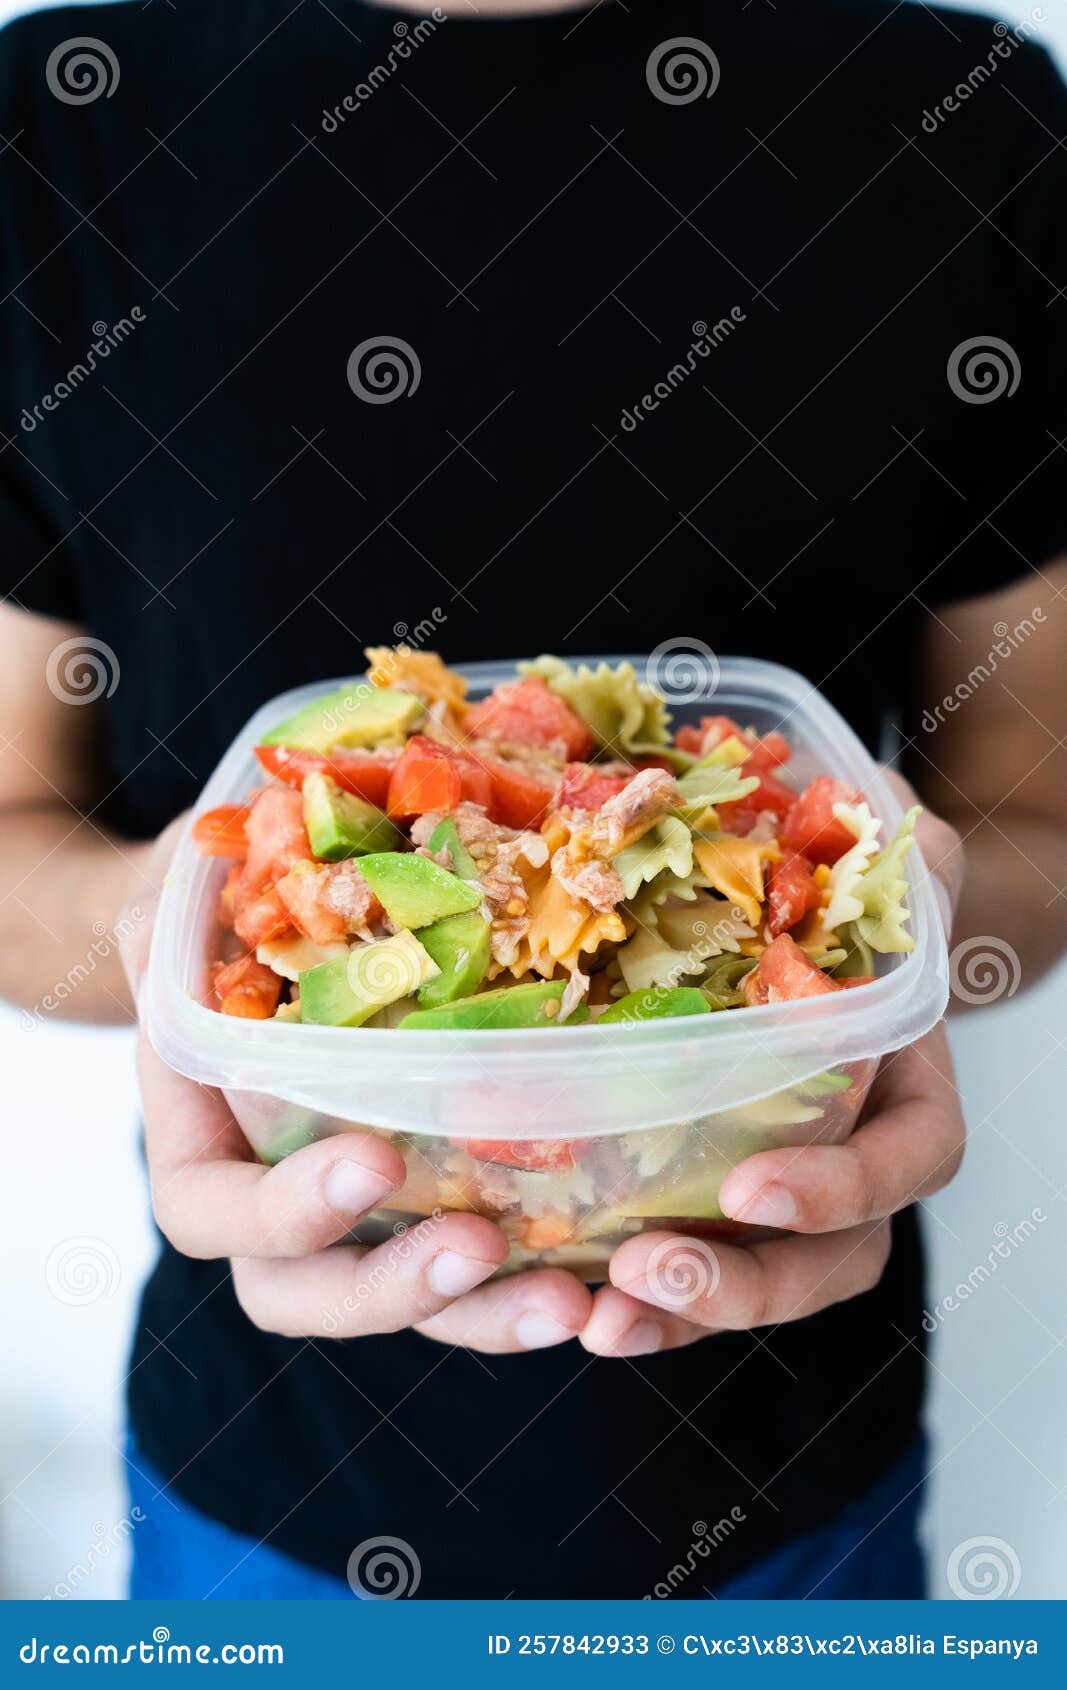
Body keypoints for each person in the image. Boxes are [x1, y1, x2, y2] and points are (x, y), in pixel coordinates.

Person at [1, 0, 1064, 1600]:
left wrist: (907, 906)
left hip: (795, 1489)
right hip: (267, 1494)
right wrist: (163, 927)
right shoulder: (57, 117)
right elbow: (19, 825)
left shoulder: (957, 108)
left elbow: (1037, 818)